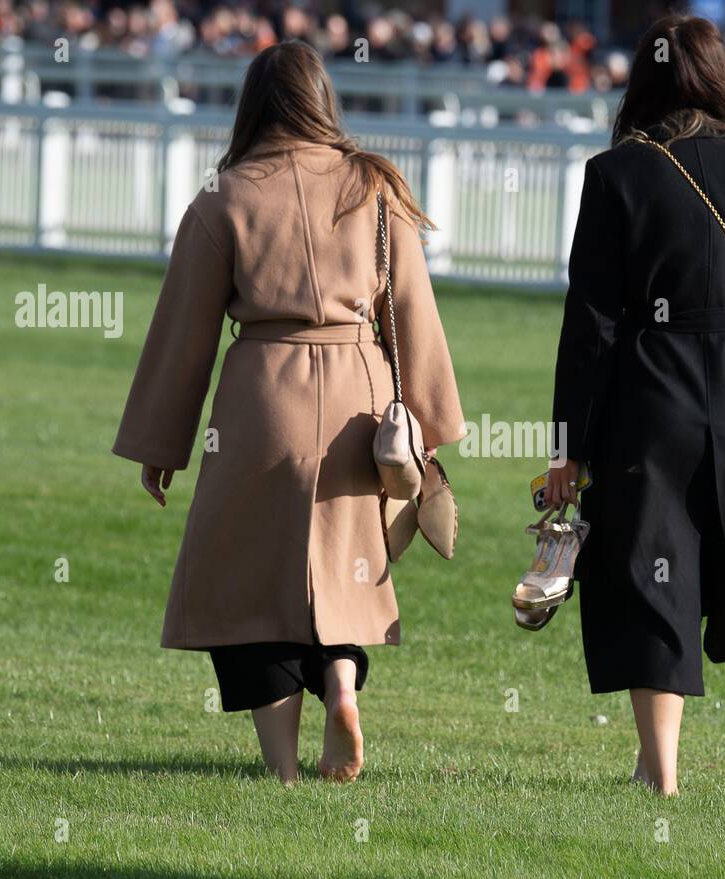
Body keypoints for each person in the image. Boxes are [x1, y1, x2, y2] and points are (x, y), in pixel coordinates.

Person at [112, 40, 465, 785]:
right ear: (322, 98)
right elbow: (411, 316)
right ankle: (341, 680)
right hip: (359, 399)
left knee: (245, 585)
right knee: (345, 570)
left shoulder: (224, 196)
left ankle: (284, 768)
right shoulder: (374, 186)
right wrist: (429, 430)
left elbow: (186, 333)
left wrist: (161, 443)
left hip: (259, 397)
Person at [546, 14, 725, 796]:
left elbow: (592, 326)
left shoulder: (615, 175)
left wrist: (567, 445)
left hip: (647, 388)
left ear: (644, 80)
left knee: (649, 571)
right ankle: (653, 764)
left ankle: (661, 771)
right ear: (717, 77)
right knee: (687, 566)